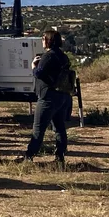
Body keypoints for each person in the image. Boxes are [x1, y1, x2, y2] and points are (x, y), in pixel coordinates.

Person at [22, 28, 74, 168]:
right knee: (59, 128)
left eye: (43, 38)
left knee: (38, 129)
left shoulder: (48, 56)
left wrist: (33, 65)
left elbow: (39, 73)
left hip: (47, 96)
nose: (42, 41)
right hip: (62, 96)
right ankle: (60, 157)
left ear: (48, 40)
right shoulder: (63, 56)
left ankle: (29, 156)